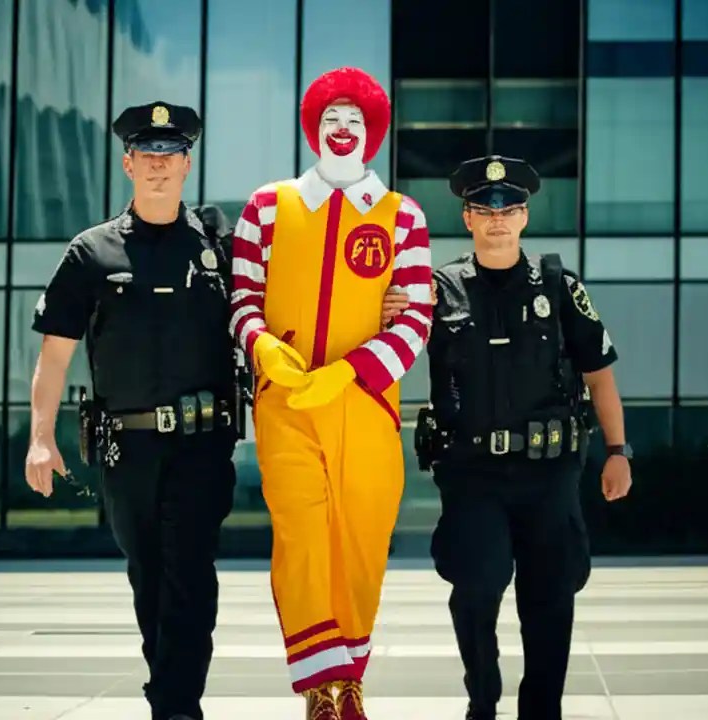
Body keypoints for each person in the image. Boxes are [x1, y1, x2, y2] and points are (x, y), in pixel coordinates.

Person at [23, 100, 416, 720]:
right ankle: (168, 688)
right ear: (128, 163)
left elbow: (287, 281)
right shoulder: (91, 251)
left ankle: (178, 705)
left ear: (186, 165)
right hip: (128, 446)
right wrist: (40, 437)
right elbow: (54, 353)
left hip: (203, 445)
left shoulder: (220, 244)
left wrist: (384, 297)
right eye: (147, 156)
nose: (158, 166)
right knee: (147, 572)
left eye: (170, 156)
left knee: (189, 574)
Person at [229, 66, 434, 719]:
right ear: (312, 127)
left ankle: (350, 678)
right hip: (285, 400)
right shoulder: (267, 206)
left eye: (354, 120)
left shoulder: (403, 215)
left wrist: (352, 370)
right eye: (330, 119)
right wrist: (262, 345)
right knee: (302, 534)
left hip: (367, 404)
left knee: (362, 539)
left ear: (371, 132)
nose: (341, 130)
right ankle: (322, 688)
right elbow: (241, 298)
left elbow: (418, 314)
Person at [414, 155, 632, 720]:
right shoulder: (436, 291)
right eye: (484, 209)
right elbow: (382, 343)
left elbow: (599, 372)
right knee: (476, 589)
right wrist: (392, 309)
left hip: (549, 473)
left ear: (524, 217)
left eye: (508, 208)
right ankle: (482, 701)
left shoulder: (559, 286)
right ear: (466, 218)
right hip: (472, 474)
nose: (497, 219)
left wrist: (617, 452)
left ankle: (542, 711)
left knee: (550, 599)